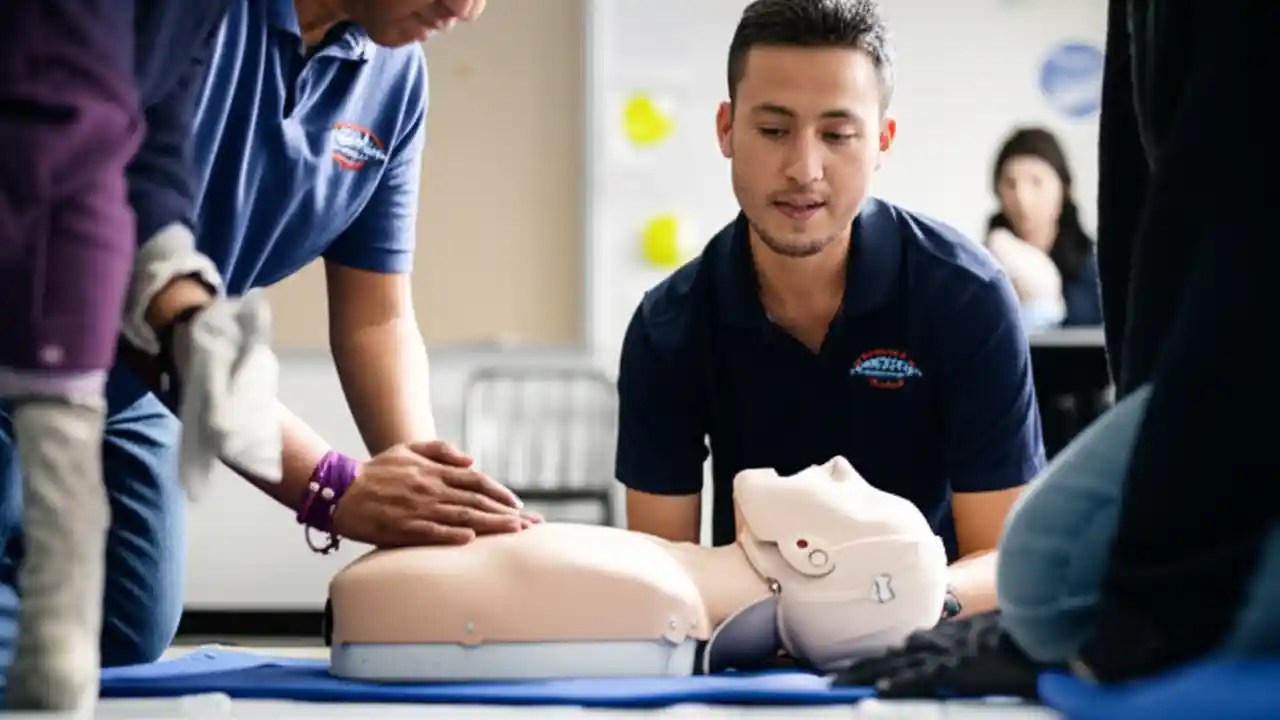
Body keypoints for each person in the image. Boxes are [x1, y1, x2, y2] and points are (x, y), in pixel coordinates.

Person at [0, 0, 533, 684]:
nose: (466, 7)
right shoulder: (189, 17)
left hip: (142, 378)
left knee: (126, 624)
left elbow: (378, 316)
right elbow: (94, 210)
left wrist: (426, 495)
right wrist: (330, 487)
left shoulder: (394, 78)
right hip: (29, 331)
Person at [832, 0, 1279, 700]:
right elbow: (1153, 213)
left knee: (1052, 581)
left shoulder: (971, 282)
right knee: (1041, 578)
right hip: (1189, 334)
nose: (804, 169)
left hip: (1243, 318)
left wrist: (1143, 608)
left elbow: (1237, 208)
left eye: (837, 133)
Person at [615, 0, 1044, 622]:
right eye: (774, 130)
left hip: (927, 643)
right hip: (748, 649)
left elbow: (1005, 557)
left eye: (838, 134)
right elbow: (660, 568)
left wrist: (893, 610)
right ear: (726, 130)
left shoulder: (966, 297)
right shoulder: (669, 325)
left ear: (882, 142)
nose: (804, 169)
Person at [326, 456, 949, 681]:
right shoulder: (658, 575)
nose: (840, 462)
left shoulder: (657, 601)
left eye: (855, 490)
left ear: (809, 550)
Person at [984, 127, 1102, 332]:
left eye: (1036, 182)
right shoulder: (982, 267)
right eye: (1010, 184)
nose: (1022, 198)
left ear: (1064, 188)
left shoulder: (1096, 270)